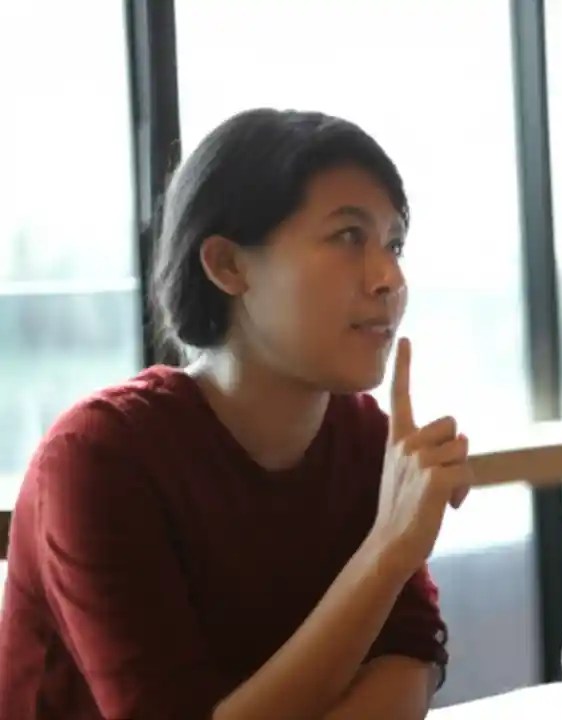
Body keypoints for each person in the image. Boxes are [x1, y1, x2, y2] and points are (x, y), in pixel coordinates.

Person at [0, 109, 472, 719]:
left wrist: (392, 553)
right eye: (349, 237)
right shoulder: (100, 457)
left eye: (394, 244)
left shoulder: (364, 439)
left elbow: (407, 659)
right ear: (228, 265)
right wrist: (387, 552)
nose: (390, 278)